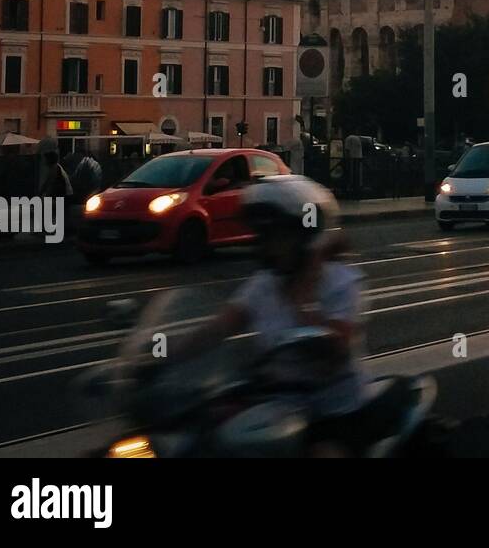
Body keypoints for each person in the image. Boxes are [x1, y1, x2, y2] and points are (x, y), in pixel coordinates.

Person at [171, 176, 403, 457]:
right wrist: (163, 358)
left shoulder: (342, 282)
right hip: (277, 406)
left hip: (331, 412)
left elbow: (338, 349)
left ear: (305, 237)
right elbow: (219, 327)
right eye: (263, 235)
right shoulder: (265, 283)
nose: (265, 245)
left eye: (277, 236)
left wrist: (303, 301)